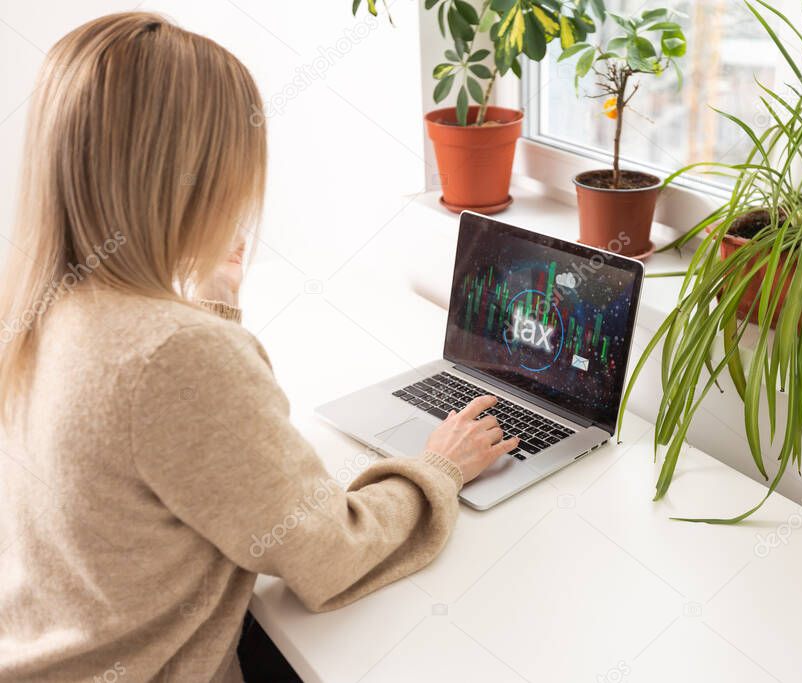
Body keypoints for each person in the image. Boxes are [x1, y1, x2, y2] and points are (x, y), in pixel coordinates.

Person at [0, 12, 517, 682]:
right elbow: (329, 550)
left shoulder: (38, 308)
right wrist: (441, 470)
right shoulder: (175, 356)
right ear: (187, 178)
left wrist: (214, 303)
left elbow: (168, 442)